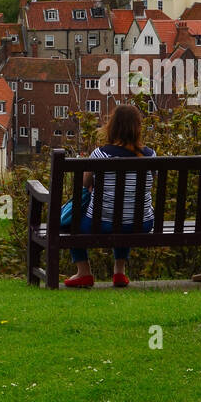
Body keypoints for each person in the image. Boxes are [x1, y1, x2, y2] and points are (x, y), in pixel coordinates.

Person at [65, 105, 155, 289]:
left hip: (102, 222)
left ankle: (83, 272)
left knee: (73, 223)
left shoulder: (100, 154)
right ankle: (119, 273)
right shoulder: (150, 155)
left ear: (112, 127)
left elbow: (85, 183)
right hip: (142, 223)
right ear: (138, 128)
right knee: (126, 215)